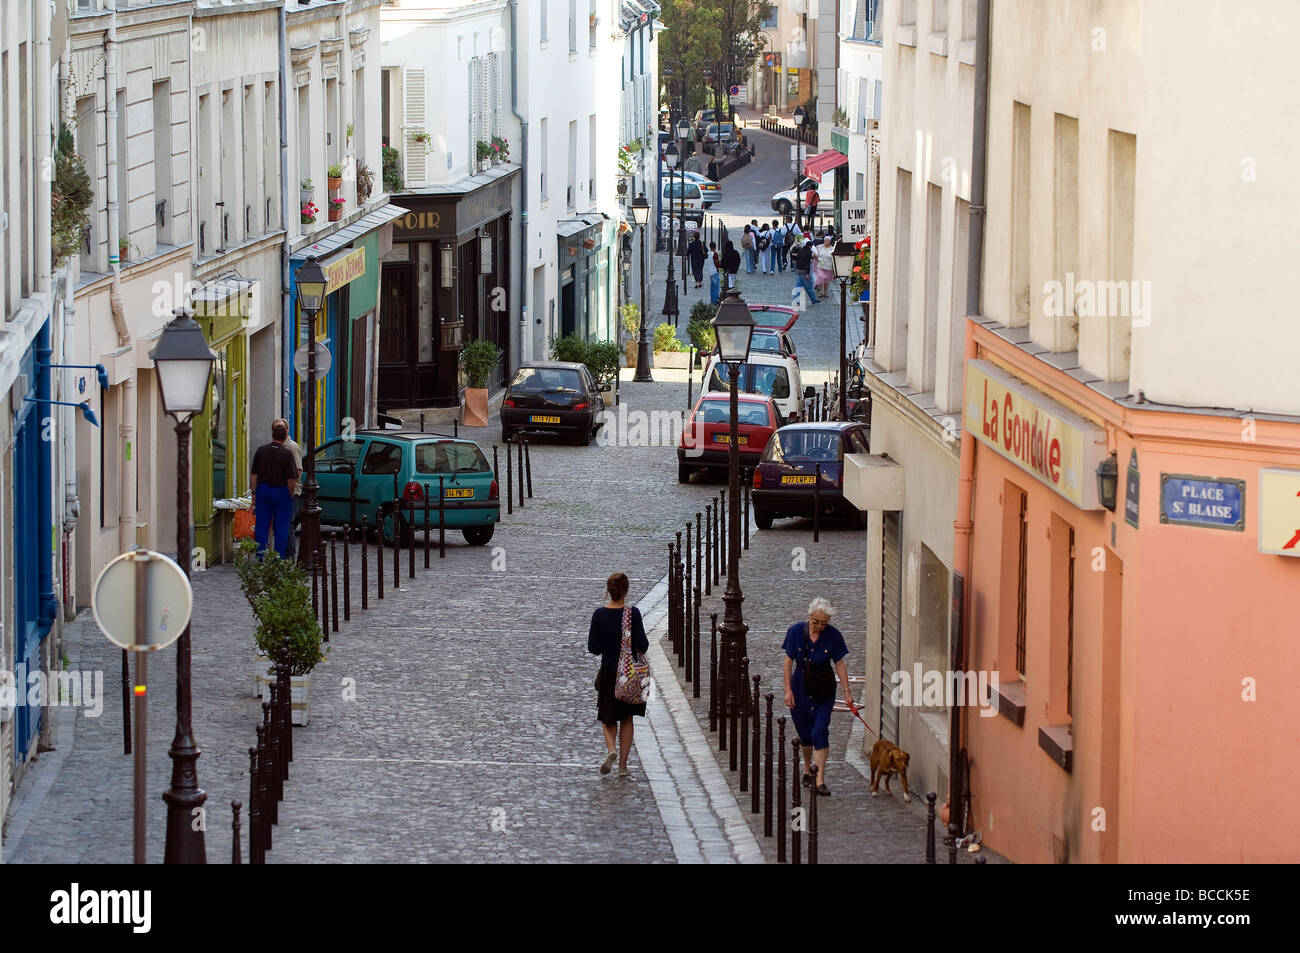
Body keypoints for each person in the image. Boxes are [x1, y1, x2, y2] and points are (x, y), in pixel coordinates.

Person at [783, 598, 852, 796]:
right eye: (816, 622)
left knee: (819, 731)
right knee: (805, 735)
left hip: (824, 690)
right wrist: (788, 690)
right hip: (800, 689)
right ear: (810, 617)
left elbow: (839, 663)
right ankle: (807, 768)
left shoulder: (833, 636)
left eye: (824, 623)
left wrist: (847, 691)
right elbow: (787, 663)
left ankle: (819, 779)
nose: (820, 626)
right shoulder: (796, 631)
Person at [588, 572, 649, 778]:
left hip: (608, 672)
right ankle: (623, 766)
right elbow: (644, 644)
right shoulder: (633, 614)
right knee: (627, 718)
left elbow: (593, 648)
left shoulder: (599, 614)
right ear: (626, 590)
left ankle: (610, 750)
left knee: (608, 718)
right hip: (629, 674)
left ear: (609, 591)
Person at [250, 422, 299, 558]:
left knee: (262, 525)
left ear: (272, 435)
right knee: (281, 527)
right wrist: (288, 494)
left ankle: (261, 556)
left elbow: (254, 475)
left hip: (263, 490)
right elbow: (292, 480)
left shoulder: (261, 451)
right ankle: (279, 558)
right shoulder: (287, 454)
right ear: (285, 437)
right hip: (281, 491)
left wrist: (254, 492)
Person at [274, 418, 304, 558]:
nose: (279, 431)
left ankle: (289, 554)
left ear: (287, 430)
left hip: (290, 491)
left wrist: (288, 488)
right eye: (276, 429)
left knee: (288, 522)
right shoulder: (276, 447)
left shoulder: (291, 447)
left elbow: (298, 471)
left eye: (281, 428)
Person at [790, 233, 819, 305]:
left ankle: (796, 299)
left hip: (798, 269)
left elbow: (793, 259)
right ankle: (813, 299)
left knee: (798, 285)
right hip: (804, 270)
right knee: (808, 286)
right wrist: (807, 273)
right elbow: (808, 264)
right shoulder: (808, 252)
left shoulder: (797, 249)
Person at [814, 234, 836, 299]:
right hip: (820, 266)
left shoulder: (832, 249)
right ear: (824, 241)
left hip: (828, 267)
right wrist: (815, 254)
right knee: (820, 277)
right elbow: (814, 252)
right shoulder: (819, 247)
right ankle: (821, 291)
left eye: (828, 241)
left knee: (826, 280)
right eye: (826, 240)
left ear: (830, 241)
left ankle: (825, 292)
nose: (827, 242)